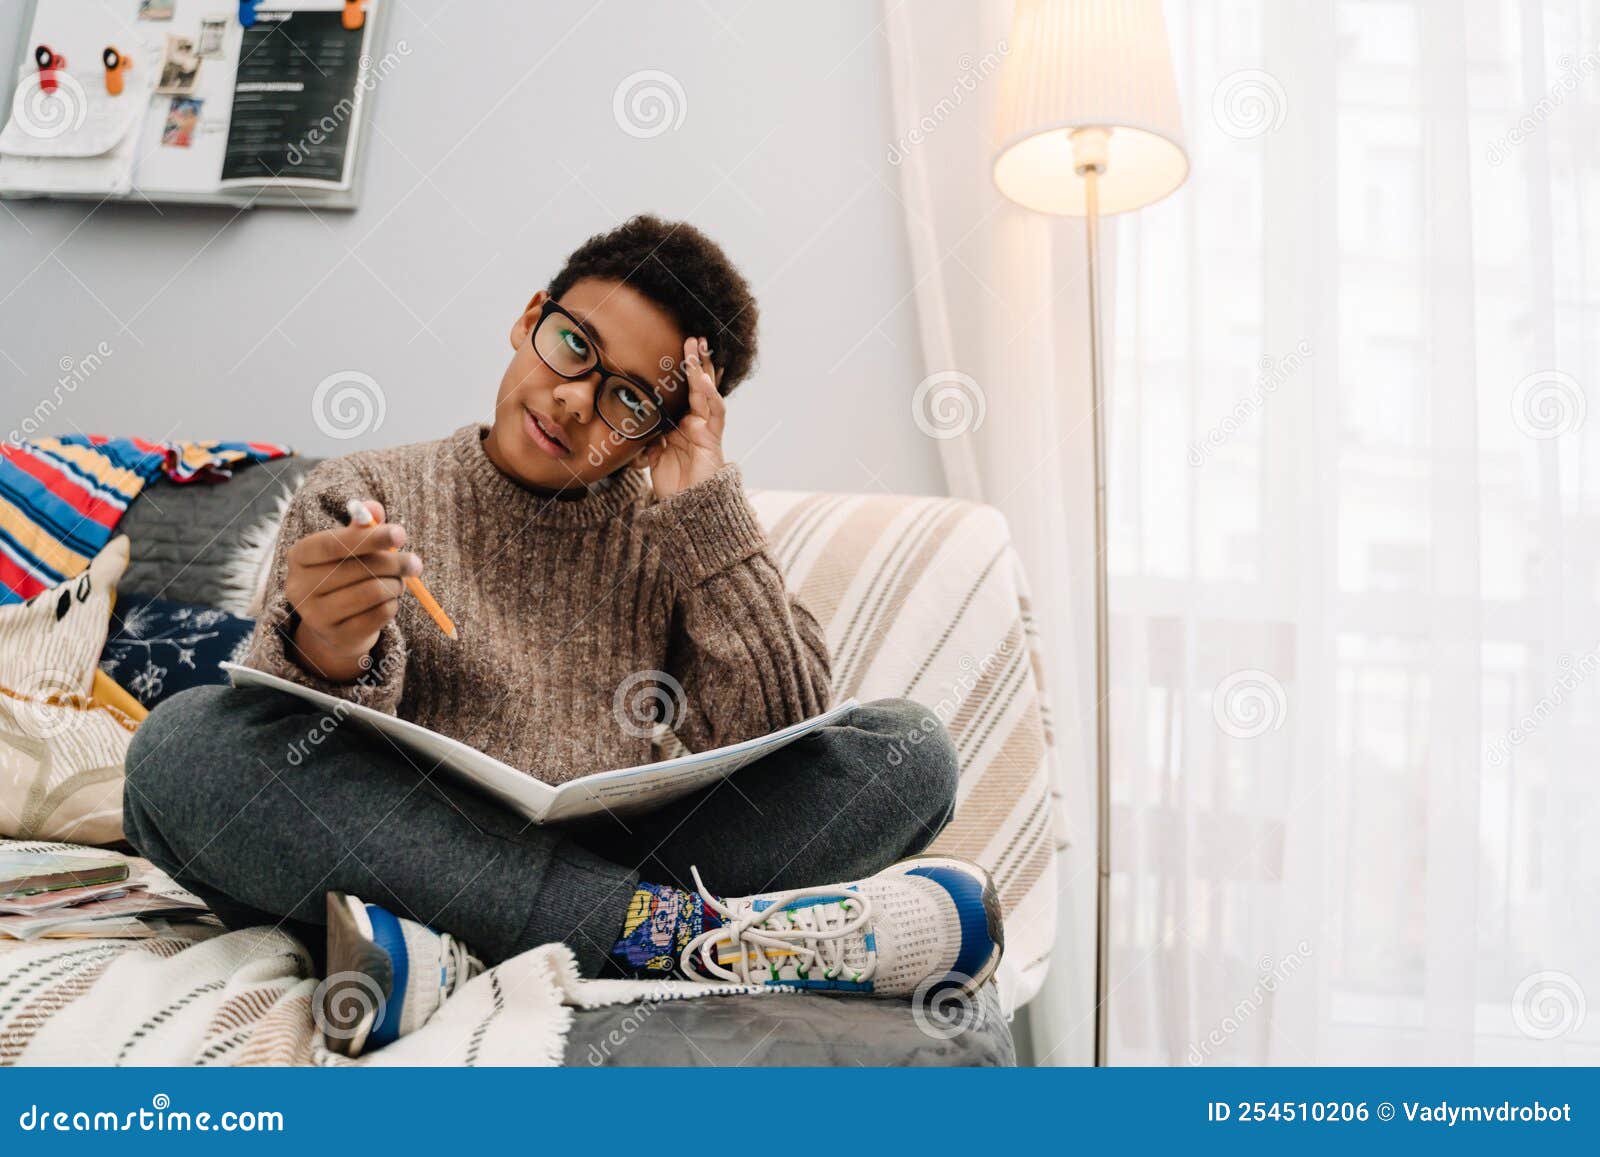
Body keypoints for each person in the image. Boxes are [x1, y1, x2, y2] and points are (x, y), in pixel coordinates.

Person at [122, 214, 1002, 1057]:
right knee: (181, 749)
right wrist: (328, 648)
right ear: (529, 317)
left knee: (909, 751)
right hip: (410, 846)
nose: (576, 401)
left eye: (627, 400)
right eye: (574, 346)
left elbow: (782, 731)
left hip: (612, 851)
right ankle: (665, 936)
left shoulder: (674, 532)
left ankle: (460, 945)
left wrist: (706, 510)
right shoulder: (365, 490)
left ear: (661, 433)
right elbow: (298, 753)